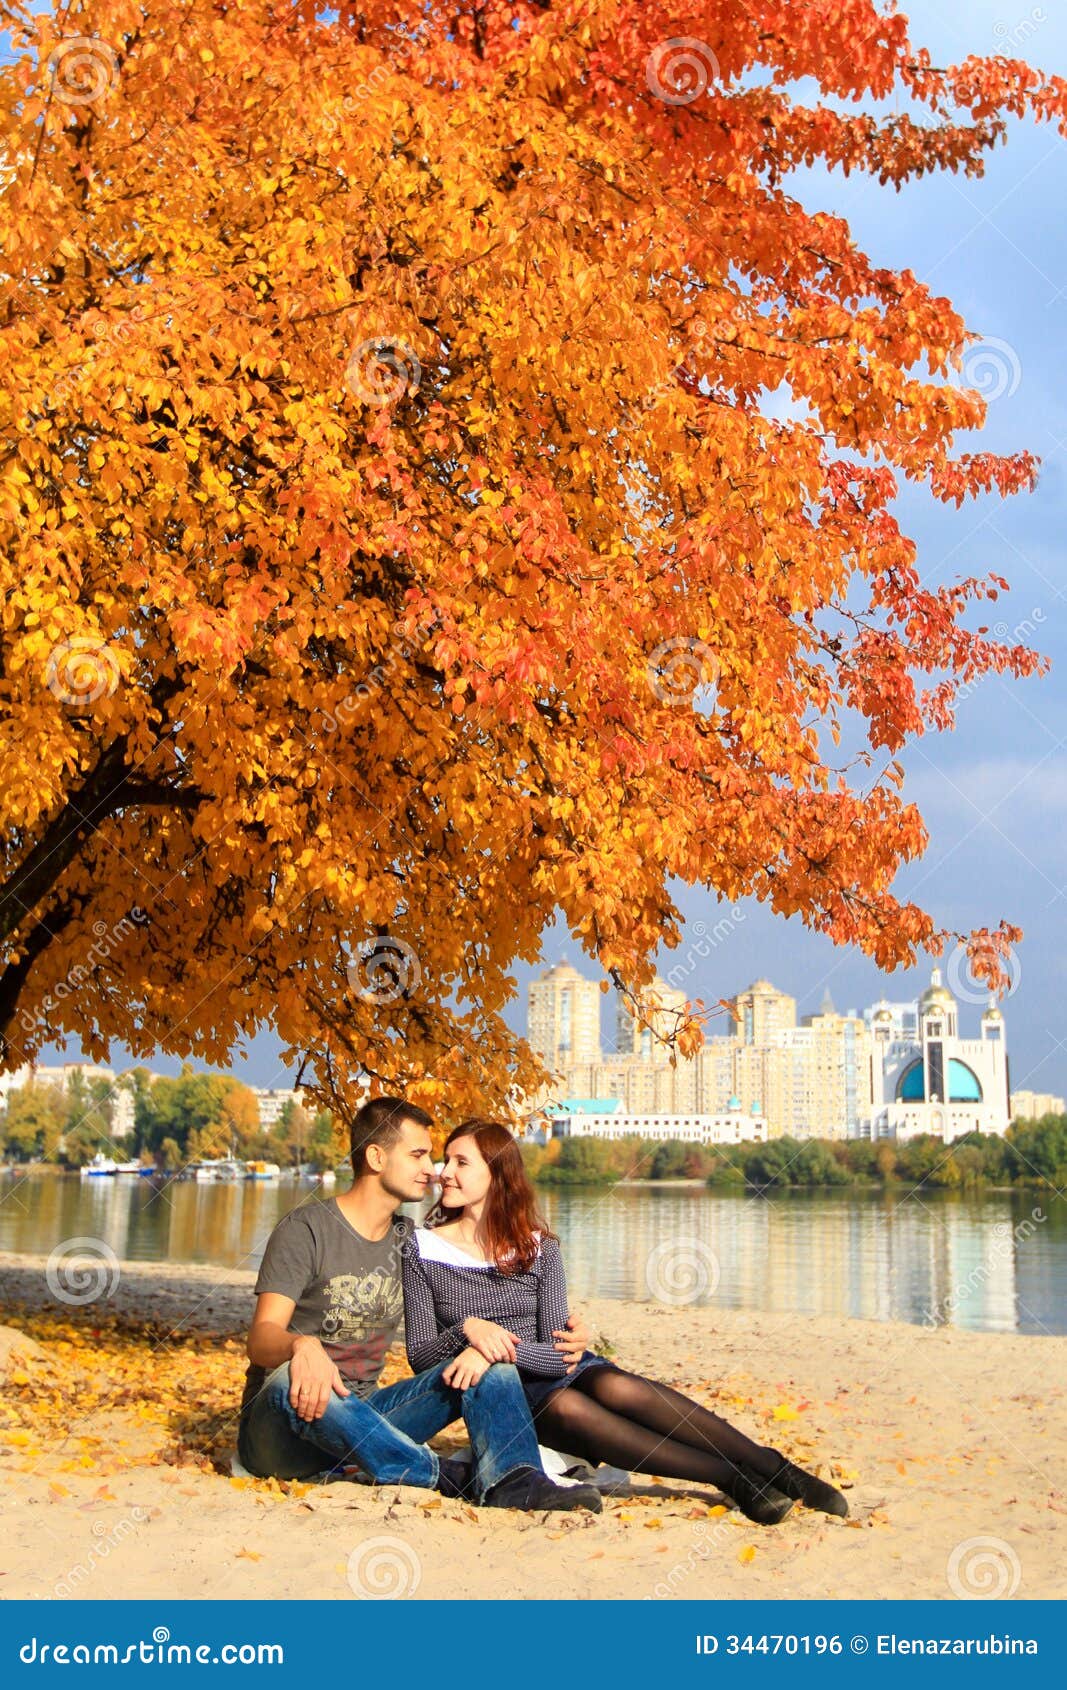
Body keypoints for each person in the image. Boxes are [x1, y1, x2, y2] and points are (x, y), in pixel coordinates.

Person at [401, 1119, 850, 1526]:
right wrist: (469, 1334)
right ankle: (730, 1477)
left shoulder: (540, 1248)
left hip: (550, 1367)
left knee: (617, 1387)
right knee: (567, 1408)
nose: (444, 1171)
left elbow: (560, 1356)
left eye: (461, 1162)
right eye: (446, 1160)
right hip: (507, 1395)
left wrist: (498, 1347)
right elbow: (421, 1355)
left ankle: (772, 1465)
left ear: (497, 1174)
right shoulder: (422, 1249)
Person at [237, 1096, 602, 1514]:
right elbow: (261, 1337)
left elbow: (478, 1279)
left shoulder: (409, 1242)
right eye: (418, 1155)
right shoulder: (306, 1229)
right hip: (286, 1428)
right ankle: (446, 1475)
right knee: (286, 1378)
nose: (433, 1170)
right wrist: (302, 1347)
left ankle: (513, 1479)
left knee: (487, 1364)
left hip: (369, 1420)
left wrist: (538, 1334)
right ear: (376, 1156)